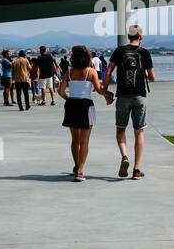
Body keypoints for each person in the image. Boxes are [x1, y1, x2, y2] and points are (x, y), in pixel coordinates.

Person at [107, 24, 156, 179]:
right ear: (140, 37)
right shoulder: (145, 52)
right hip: (139, 96)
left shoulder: (119, 51)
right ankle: (136, 170)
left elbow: (108, 71)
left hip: (122, 96)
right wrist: (143, 74)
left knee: (121, 130)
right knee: (139, 131)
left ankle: (125, 157)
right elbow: (152, 77)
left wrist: (104, 90)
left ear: (129, 36)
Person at [59, 44, 114, 182]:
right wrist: (108, 93)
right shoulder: (91, 72)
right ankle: (80, 171)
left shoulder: (69, 72)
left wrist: (69, 99)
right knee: (84, 142)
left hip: (72, 104)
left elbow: (60, 91)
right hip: (85, 105)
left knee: (75, 140)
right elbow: (99, 90)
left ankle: (77, 166)